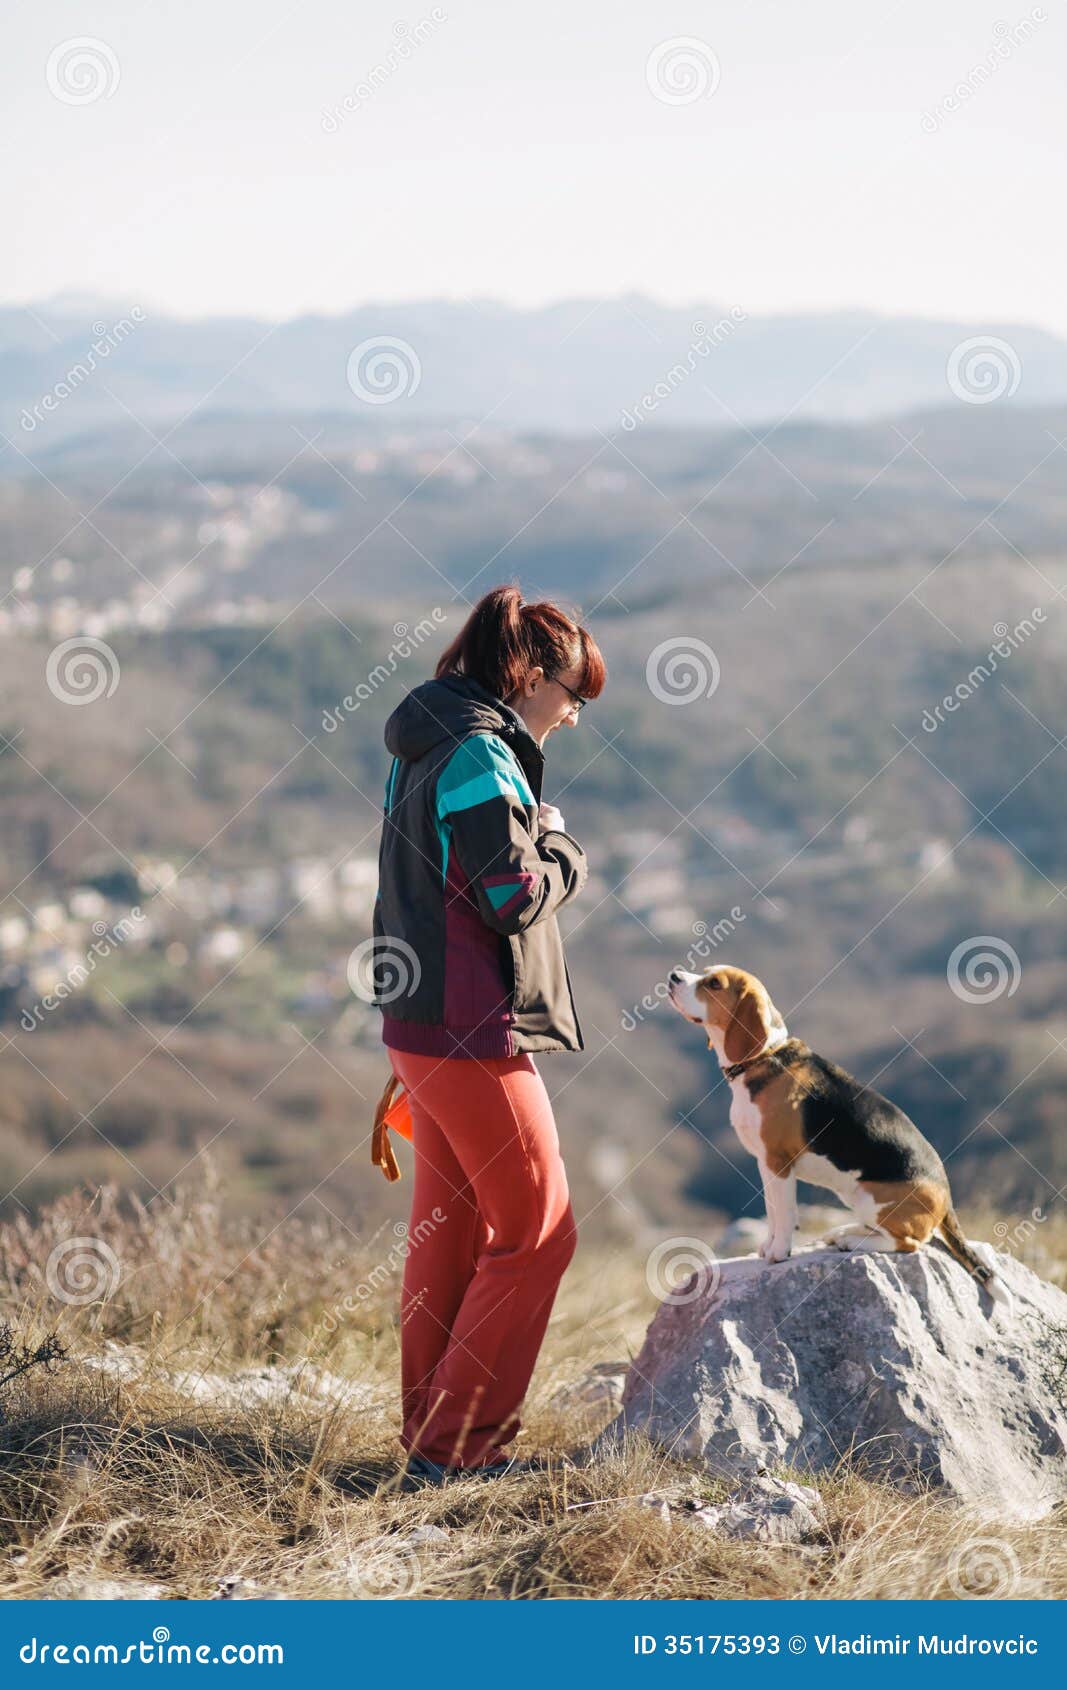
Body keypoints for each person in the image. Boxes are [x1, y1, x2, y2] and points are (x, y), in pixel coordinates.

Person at [372, 584, 606, 1482]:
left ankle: (429, 1441)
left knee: (452, 1232)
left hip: (421, 1024)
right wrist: (561, 846)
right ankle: (460, 1450)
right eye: (573, 695)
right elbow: (510, 896)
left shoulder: (426, 741)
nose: (574, 716)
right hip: (471, 1030)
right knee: (540, 1234)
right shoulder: (480, 754)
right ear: (531, 677)